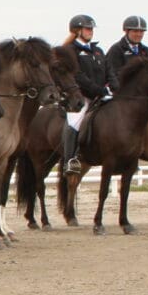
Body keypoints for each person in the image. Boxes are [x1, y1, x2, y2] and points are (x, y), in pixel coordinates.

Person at [62, 13, 108, 176]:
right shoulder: (69, 50)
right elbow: (77, 75)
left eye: (91, 29)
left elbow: (108, 72)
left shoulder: (98, 50)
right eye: (87, 29)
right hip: (80, 97)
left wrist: (113, 87)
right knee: (75, 121)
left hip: (100, 95)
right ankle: (70, 160)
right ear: (77, 30)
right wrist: (98, 90)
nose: (91, 31)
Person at [105, 14, 148, 87]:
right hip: (124, 90)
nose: (139, 34)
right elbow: (112, 74)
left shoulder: (146, 50)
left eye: (141, 31)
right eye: (135, 31)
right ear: (126, 31)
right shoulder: (116, 49)